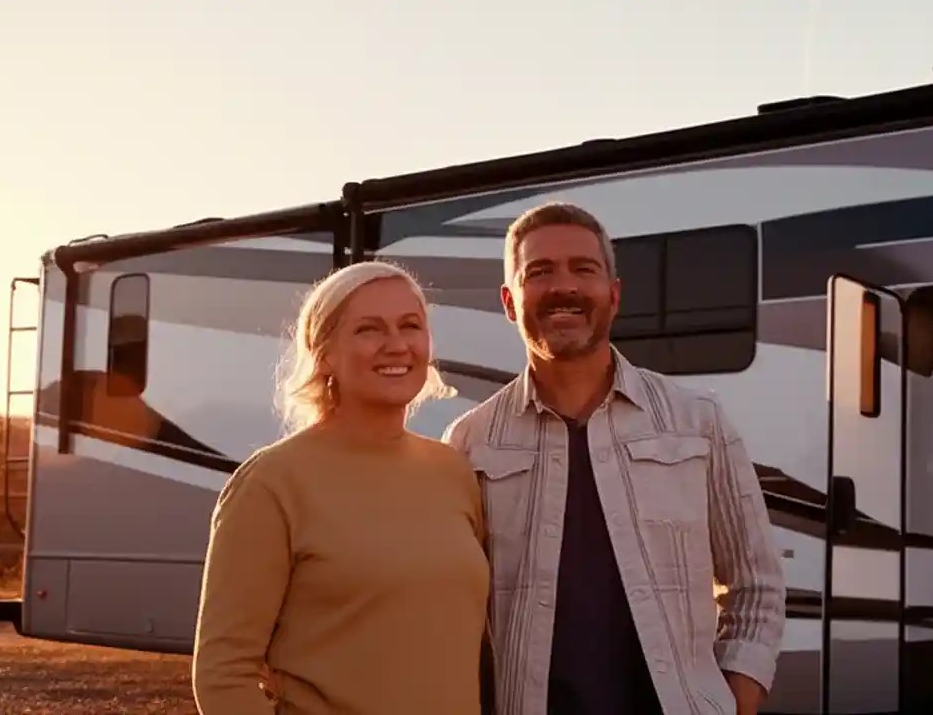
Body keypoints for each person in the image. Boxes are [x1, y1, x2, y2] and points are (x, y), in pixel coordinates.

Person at [443, 202, 786, 715]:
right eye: (539, 272)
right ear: (509, 302)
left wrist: (738, 699)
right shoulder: (470, 443)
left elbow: (755, 584)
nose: (564, 287)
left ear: (615, 295)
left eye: (584, 269)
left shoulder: (697, 422)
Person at [191, 260, 492, 715]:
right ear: (324, 352)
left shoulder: (452, 471)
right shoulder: (272, 483)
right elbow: (223, 673)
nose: (396, 345)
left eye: (410, 325)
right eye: (369, 330)